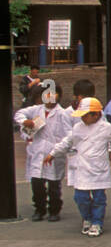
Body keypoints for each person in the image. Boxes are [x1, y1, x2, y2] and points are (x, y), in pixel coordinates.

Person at [44, 98, 111, 237]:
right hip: (82, 168)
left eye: (86, 115)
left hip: (99, 169)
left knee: (99, 199)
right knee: (80, 198)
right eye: (82, 115)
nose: (83, 118)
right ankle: (87, 218)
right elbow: (67, 142)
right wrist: (53, 153)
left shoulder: (106, 128)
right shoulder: (77, 128)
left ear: (96, 114)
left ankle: (97, 222)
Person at [14, 81, 72, 222]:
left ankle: (54, 210)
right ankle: (39, 209)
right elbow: (19, 114)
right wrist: (24, 122)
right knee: (37, 183)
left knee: (53, 185)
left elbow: (68, 135)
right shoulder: (36, 110)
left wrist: (59, 150)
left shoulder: (62, 113)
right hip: (37, 151)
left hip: (53, 153)